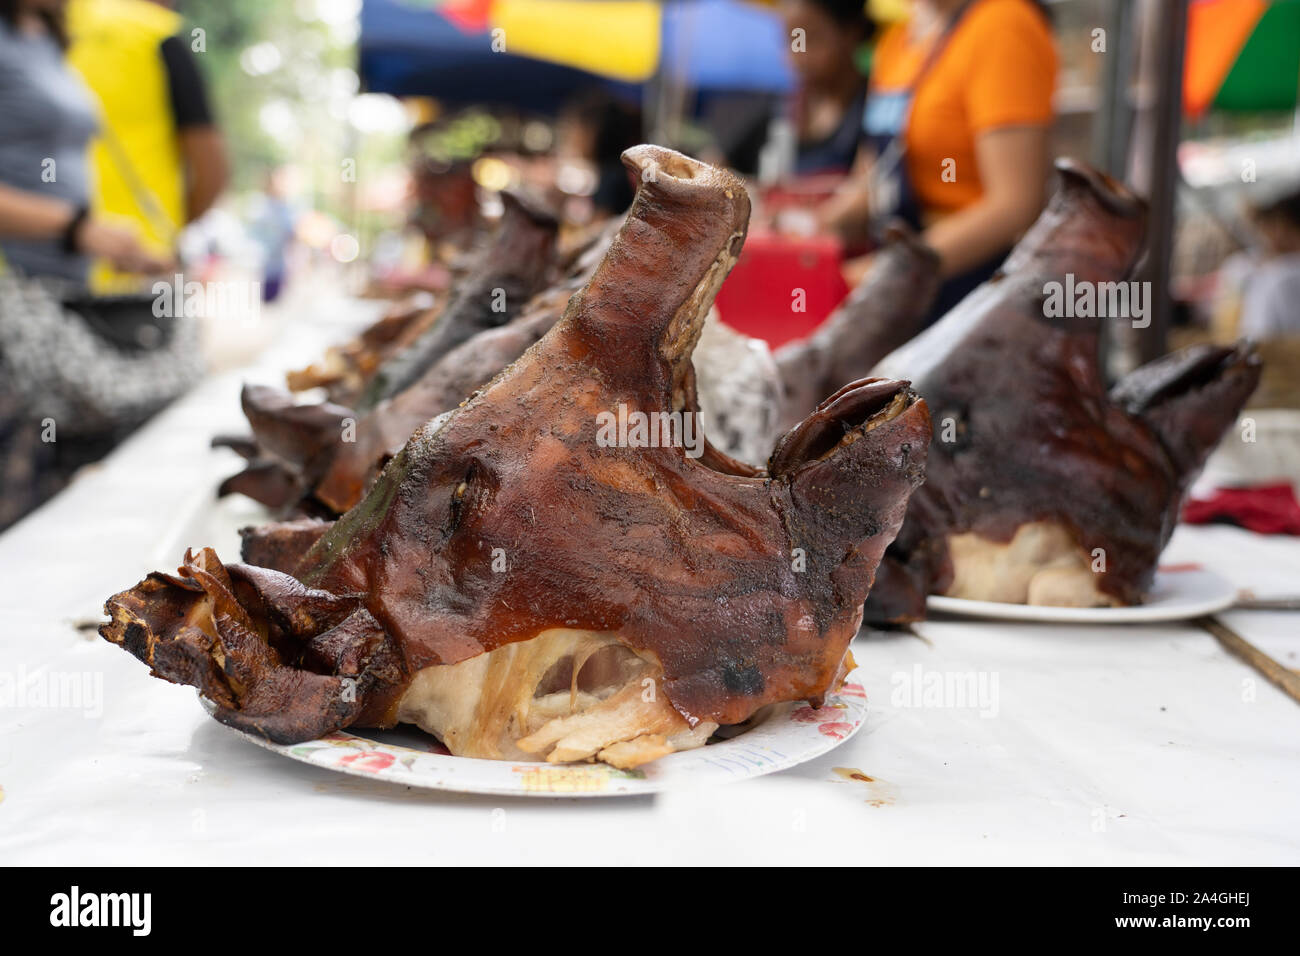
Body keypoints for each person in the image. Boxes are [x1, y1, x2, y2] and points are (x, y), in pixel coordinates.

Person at [0, 0, 197, 531]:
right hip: (11, 298)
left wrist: (105, 238)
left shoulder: (43, 34)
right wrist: (74, 226)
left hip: (57, 291)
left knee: (57, 505)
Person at [821, 0, 1057, 324]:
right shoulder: (898, 39)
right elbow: (872, 176)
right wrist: (812, 229)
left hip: (971, 291)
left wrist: (884, 272)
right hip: (899, 284)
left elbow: (1014, 204)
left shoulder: (1005, 26)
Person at [66, 0, 228, 291]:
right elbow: (212, 171)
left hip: (43, 257)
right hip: (139, 266)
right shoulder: (160, 35)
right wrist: (171, 226)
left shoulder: (51, 21)